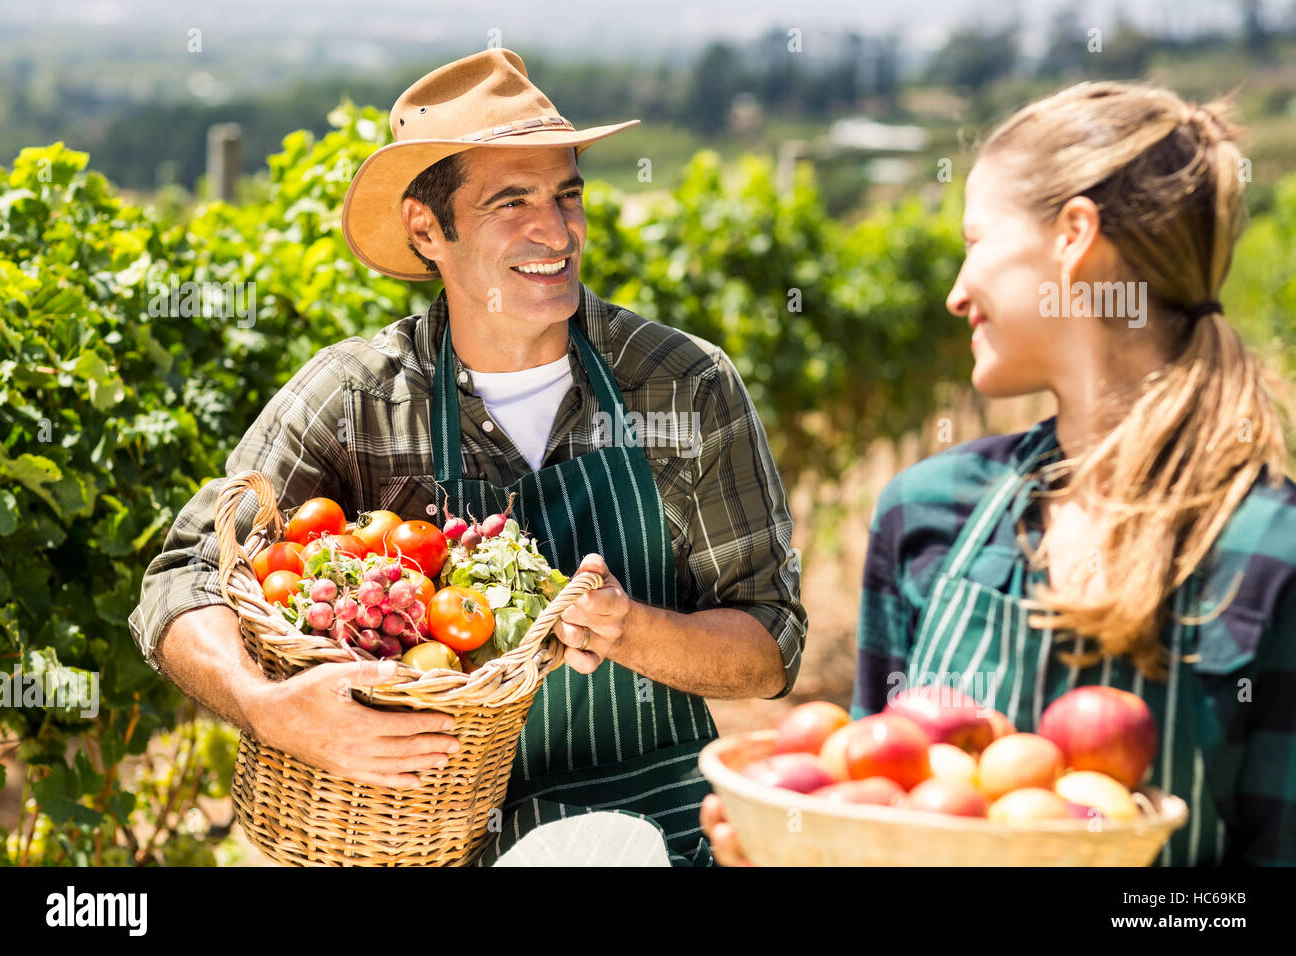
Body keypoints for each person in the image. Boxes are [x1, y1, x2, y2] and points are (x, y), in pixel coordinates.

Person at [129, 48, 806, 867]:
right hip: (422, 840)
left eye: (566, 195)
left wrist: (633, 630)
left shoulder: (682, 387)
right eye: (510, 201)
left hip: (653, 827)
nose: (555, 232)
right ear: (427, 228)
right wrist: (265, 706)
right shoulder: (354, 398)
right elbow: (185, 574)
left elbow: (770, 650)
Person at [702, 80, 1296, 866]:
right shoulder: (927, 511)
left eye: (976, 242)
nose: (954, 294)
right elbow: (881, 821)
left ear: (1074, 234)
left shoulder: (1271, 552)